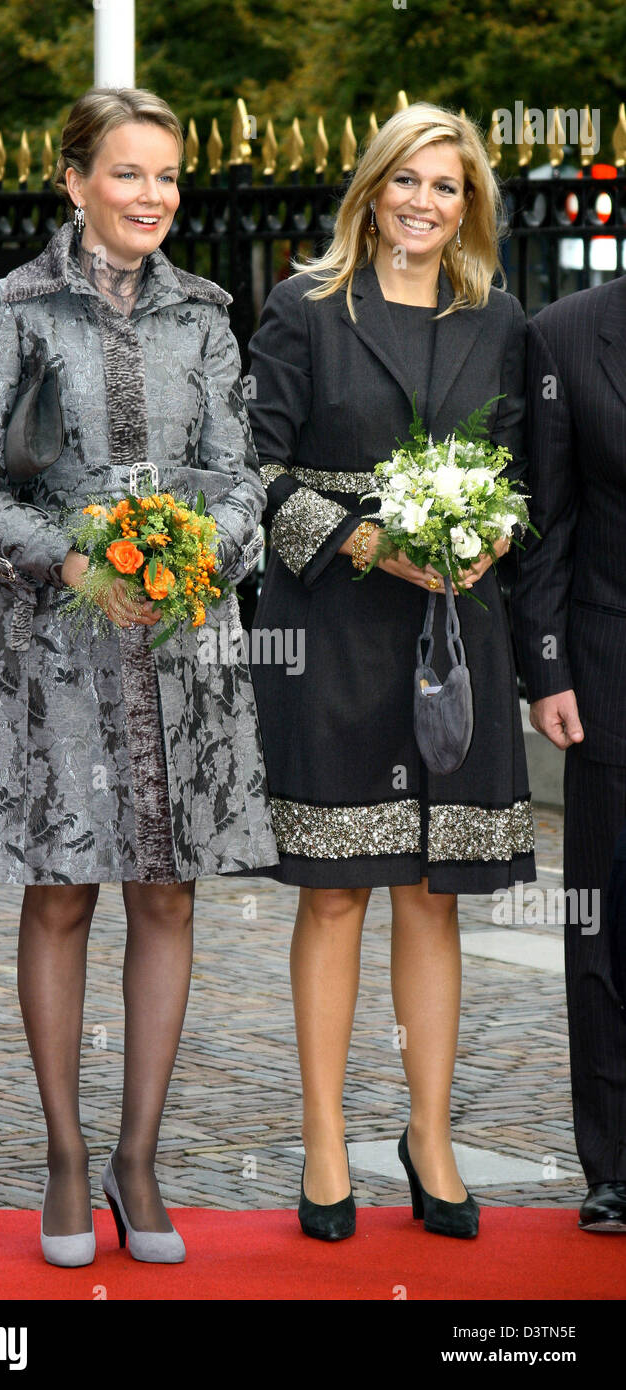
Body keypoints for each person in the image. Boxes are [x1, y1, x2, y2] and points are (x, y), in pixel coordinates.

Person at [0, 86, 279, 1266]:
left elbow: (245, 480)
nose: (154, 197)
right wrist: (77, 559)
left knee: (167, 894)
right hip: (59, 654)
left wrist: (200, 559)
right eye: (129, 174)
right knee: (63, 891)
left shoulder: (208, 313)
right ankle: (67, 1157)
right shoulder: (12, 306)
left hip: (182, 652)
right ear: (75, 179)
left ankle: (140, 1156)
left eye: (169, 176)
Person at [246, 103, 535, 1241]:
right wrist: (372, 543)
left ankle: (431, 1136)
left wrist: (493, 529)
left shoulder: (500, 317)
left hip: (458, 633)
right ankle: (325, 1141)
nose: (425, 203)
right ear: (371, 189)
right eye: (407, 181)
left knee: (435, 896)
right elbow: (254, 471)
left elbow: (521, 464)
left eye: (448, 187)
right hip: (331, 634)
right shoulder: (303, 309)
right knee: (335, 893)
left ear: (471, 205)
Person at [511, 272, 626, 1232]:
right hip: (610, 666)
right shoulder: (565, 335)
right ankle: (615, 1162)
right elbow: (545, 523)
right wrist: (546, 668)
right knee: (607, 922)